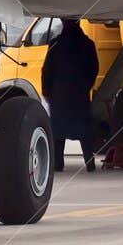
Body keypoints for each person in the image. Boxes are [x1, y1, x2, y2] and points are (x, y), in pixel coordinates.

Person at [41, 19, 100, 172]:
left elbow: (47, 70)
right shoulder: (88, 44)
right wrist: (86, 86)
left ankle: (58, 164)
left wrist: (46, 91)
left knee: (58, 131)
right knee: (83, 130)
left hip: (59, 93)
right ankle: (90, 163)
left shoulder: (56, 44)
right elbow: (94, 68)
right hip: (80, 93)